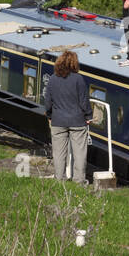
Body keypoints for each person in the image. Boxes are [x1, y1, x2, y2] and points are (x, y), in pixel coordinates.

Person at [43, 50, 91, 185]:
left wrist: (50, 115)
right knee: (79, 153)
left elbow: (47, 101)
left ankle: (59, 180)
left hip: (58, 121)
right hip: (77, 121)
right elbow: (84, 101)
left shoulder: (52, 79)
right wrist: (88, 116)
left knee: (58, 153)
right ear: (75, 63)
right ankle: (79, 181)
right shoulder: (78, 79)